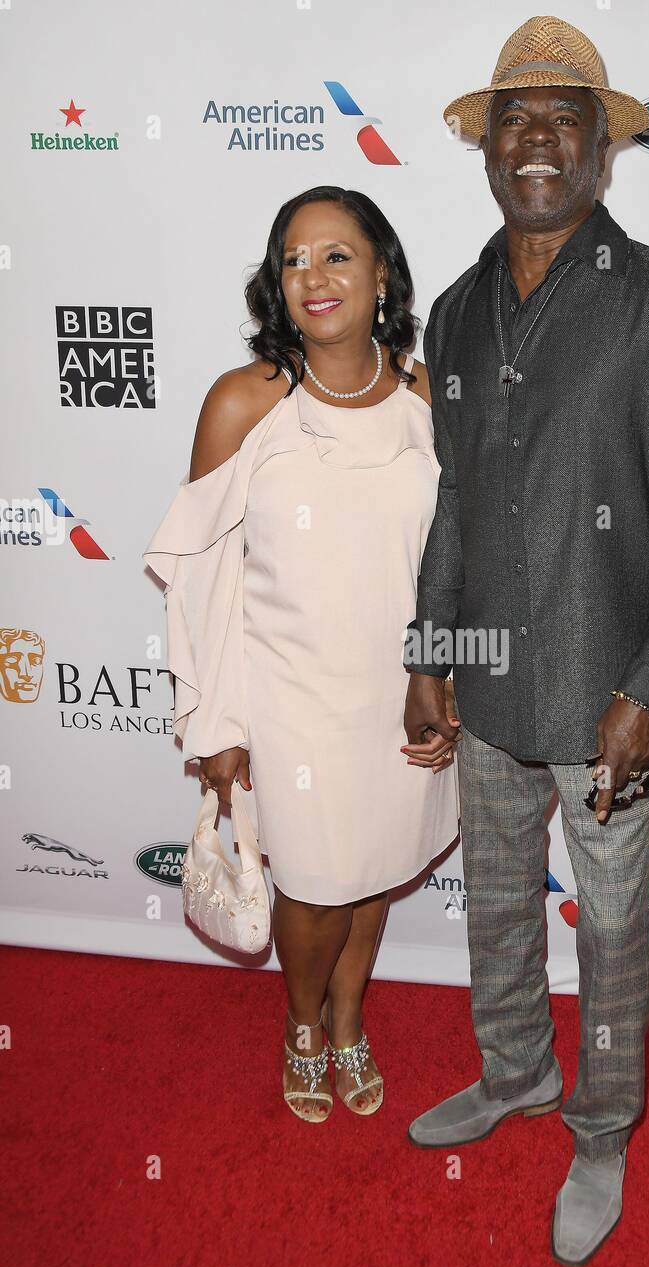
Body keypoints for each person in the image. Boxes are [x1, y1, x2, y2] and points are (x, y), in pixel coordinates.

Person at [400, 16, 649, 1264]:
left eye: (564, 118)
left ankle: (600, 1128)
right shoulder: (455, 309)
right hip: (485, 679)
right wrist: (428, 650)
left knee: (607, 927)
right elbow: (453, 500)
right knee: (495, 901)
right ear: (488, 148)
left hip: (610, 689)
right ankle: (511, 1073)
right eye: (515, 119)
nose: (536, 139)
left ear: (602, 149)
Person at [144, 187, 459, 1124]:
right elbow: (201, 581)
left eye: (337, 255)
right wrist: (214, 724)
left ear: (382, 273)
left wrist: (445, 680)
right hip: (289, 697)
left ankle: (352, 1018)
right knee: (317, 887)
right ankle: (303, 1026)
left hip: (402, 692)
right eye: (292, 259)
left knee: (376, 873)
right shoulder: (245, 403)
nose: (312, 277)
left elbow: (461, 555)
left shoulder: (426, 397)